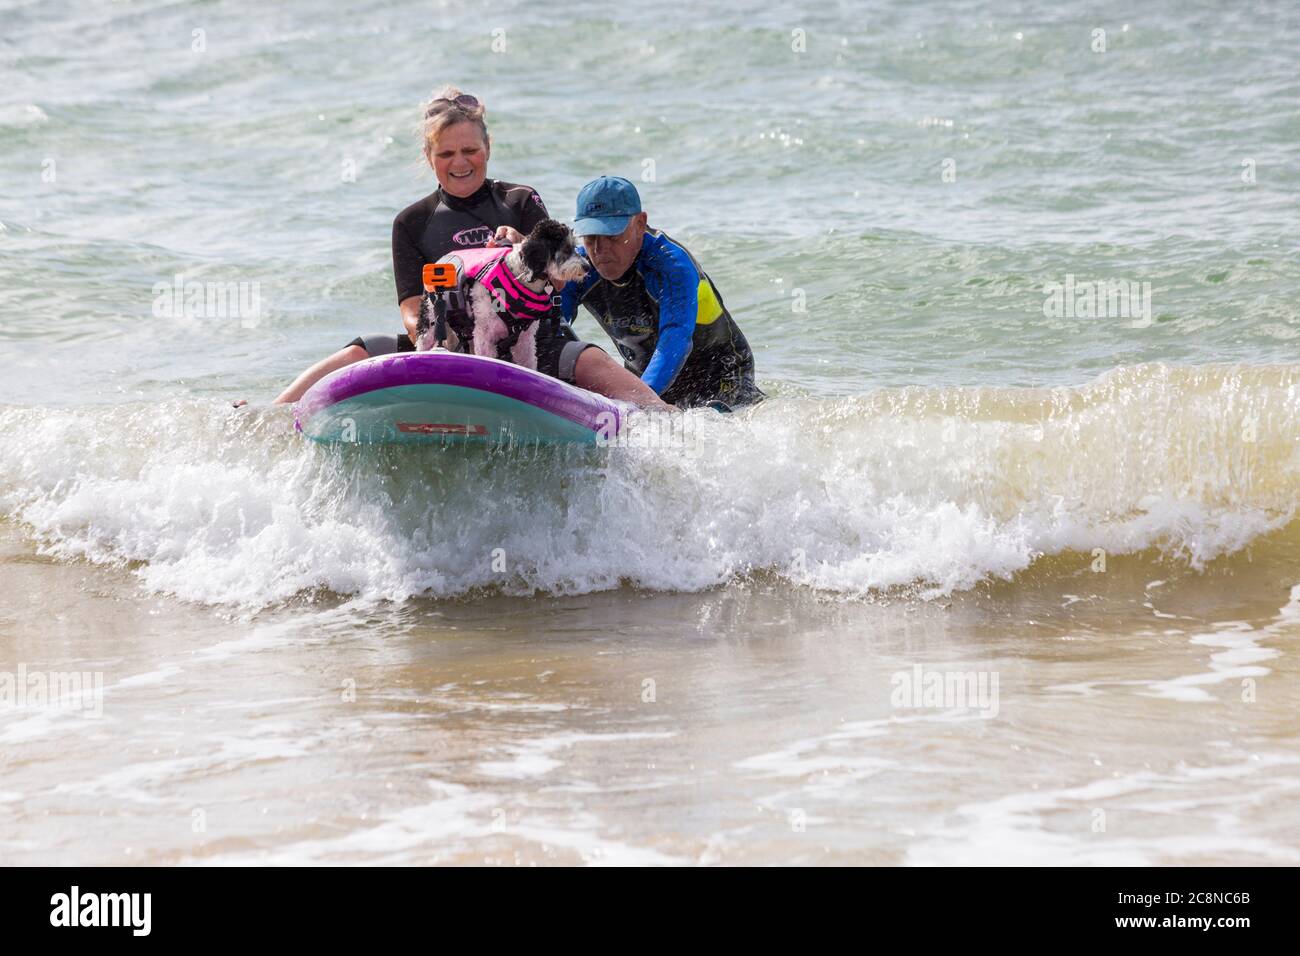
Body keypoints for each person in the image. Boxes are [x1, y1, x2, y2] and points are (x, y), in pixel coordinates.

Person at [270, 89, 667, 410]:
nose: (460, 162)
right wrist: (441, 336)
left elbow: (560, 286)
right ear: (429, 158)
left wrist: (527, 253)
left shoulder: (521, 201)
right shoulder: (411, 222)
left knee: (592, 361)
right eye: (446, 154)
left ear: (488, 148)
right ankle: (269, 417)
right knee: (359, 352)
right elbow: (411, 307)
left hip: (531, 341)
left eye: (470, 150)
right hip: (447, 345)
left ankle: (671, 424)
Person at [561, 176, 764, 409]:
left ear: (639, 224)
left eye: (612, 236)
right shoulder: (578, 269)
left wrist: (636, 400)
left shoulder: (671, 265)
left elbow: (674, 341)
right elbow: (553, 327)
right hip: (649, 377)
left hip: (720, 375)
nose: (600, 250)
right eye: (590, 237)